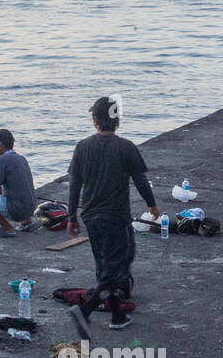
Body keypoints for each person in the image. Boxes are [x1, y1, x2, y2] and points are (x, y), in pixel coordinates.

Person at [64, 96, 160, 336]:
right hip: (116, 218)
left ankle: (117, 315)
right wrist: (152, 206)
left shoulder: (82, 146)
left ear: (95, 120)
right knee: (121, 263)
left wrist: (71, 217)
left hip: (91, 217)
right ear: (117, 121)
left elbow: (74, 185)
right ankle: (84, 311)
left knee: (105, 267)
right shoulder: (126, 147)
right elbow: (140, 180)